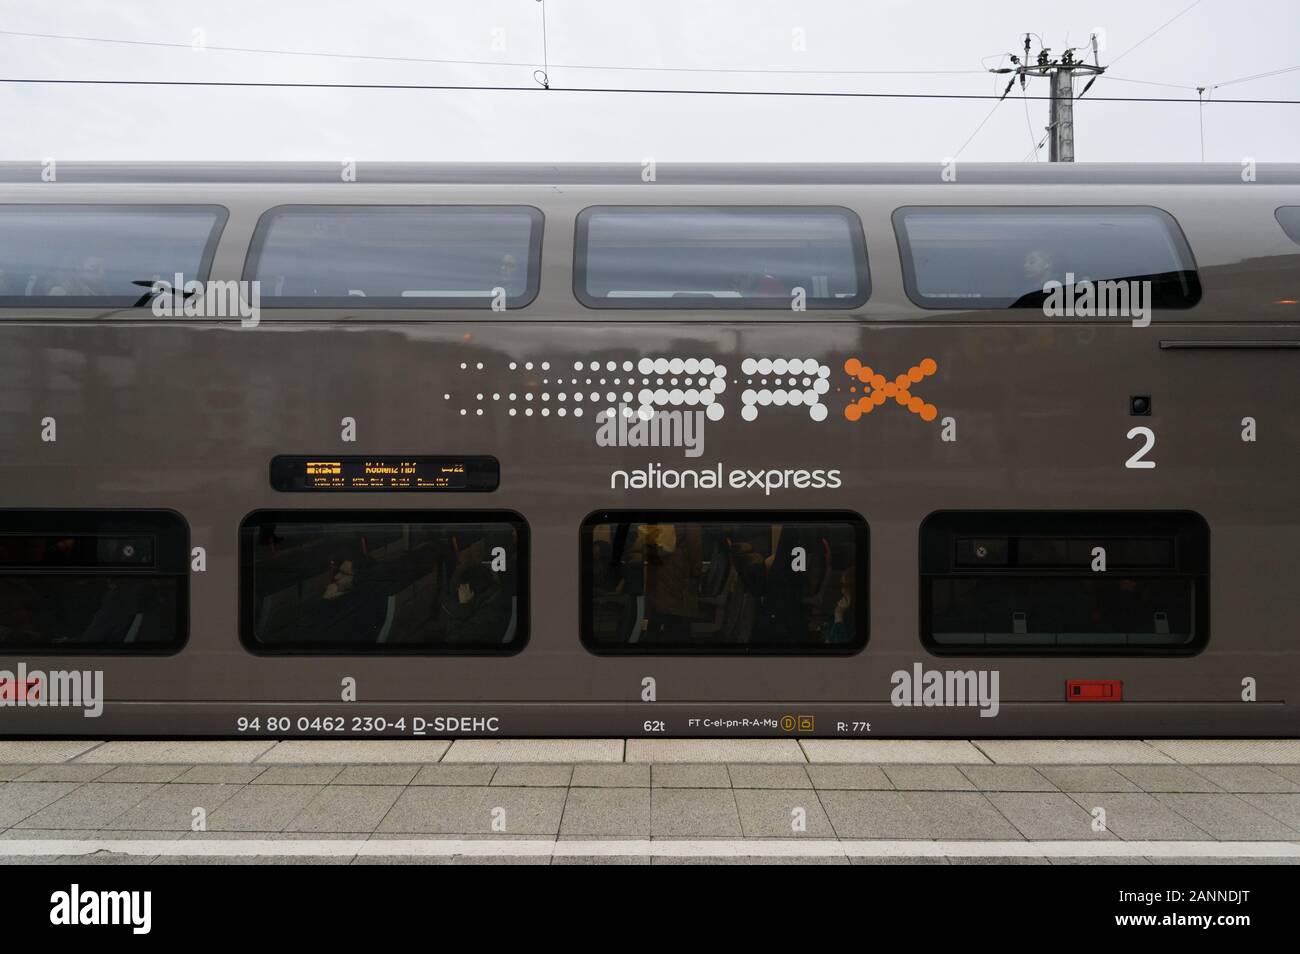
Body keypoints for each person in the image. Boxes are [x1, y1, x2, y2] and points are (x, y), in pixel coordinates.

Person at [443, 564, 510, 643]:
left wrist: (463, 606)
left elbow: (453, 639)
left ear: (468, 589)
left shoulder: (487, 616)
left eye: (461, 588)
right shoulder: (496, 599)